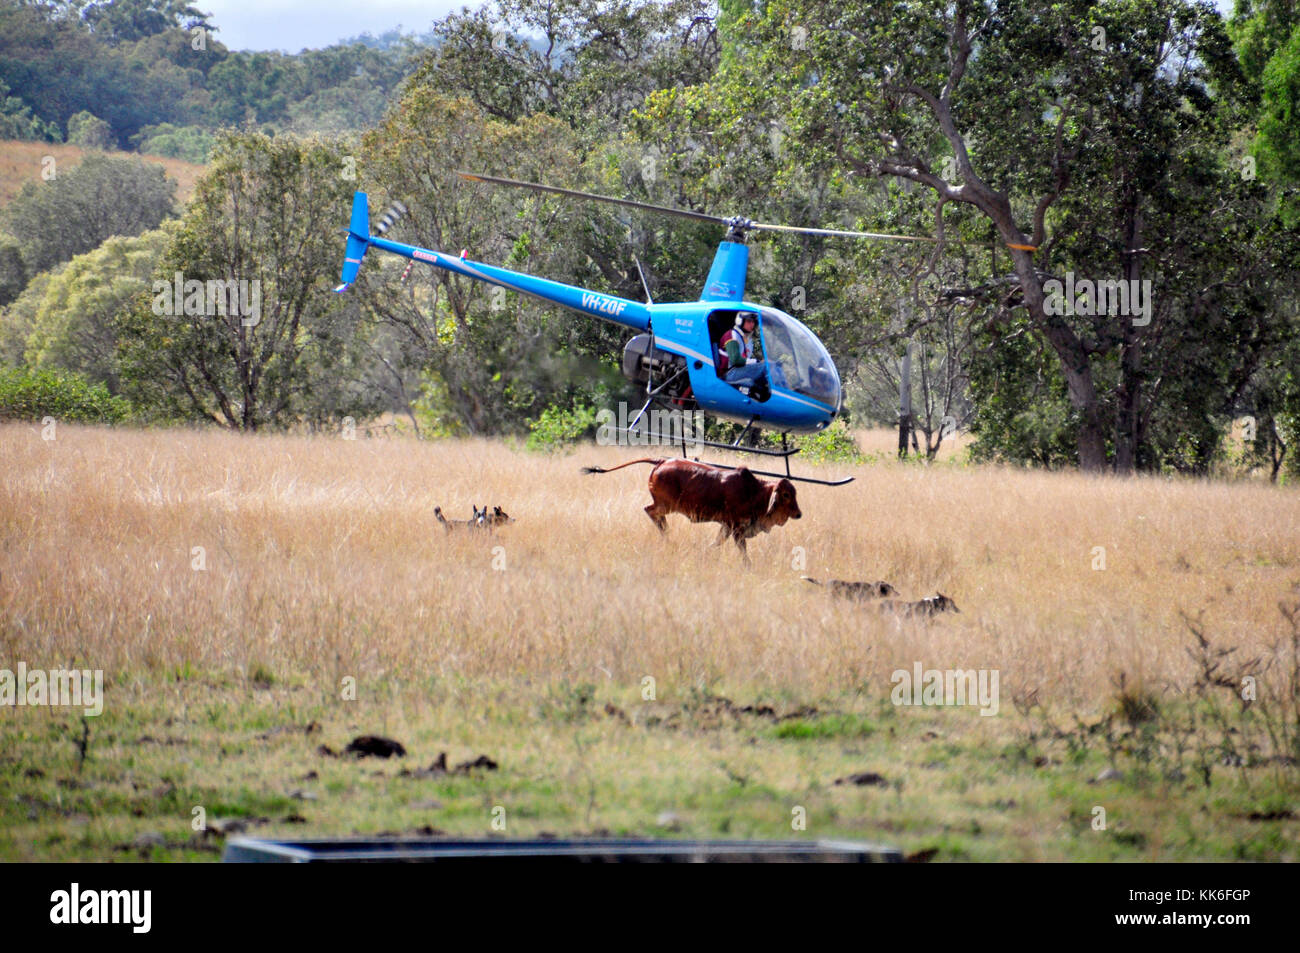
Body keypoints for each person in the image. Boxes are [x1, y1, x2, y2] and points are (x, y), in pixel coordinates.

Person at [717, 313, 767, 394]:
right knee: (765, 367)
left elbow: (745, 360)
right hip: (729, 373)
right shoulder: (732, 334)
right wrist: (757, 362)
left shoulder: (745, 338)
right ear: (740, 321)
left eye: (753, 322)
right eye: (749, 321)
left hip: (736, 371)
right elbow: (735, 360)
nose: (752, 324)